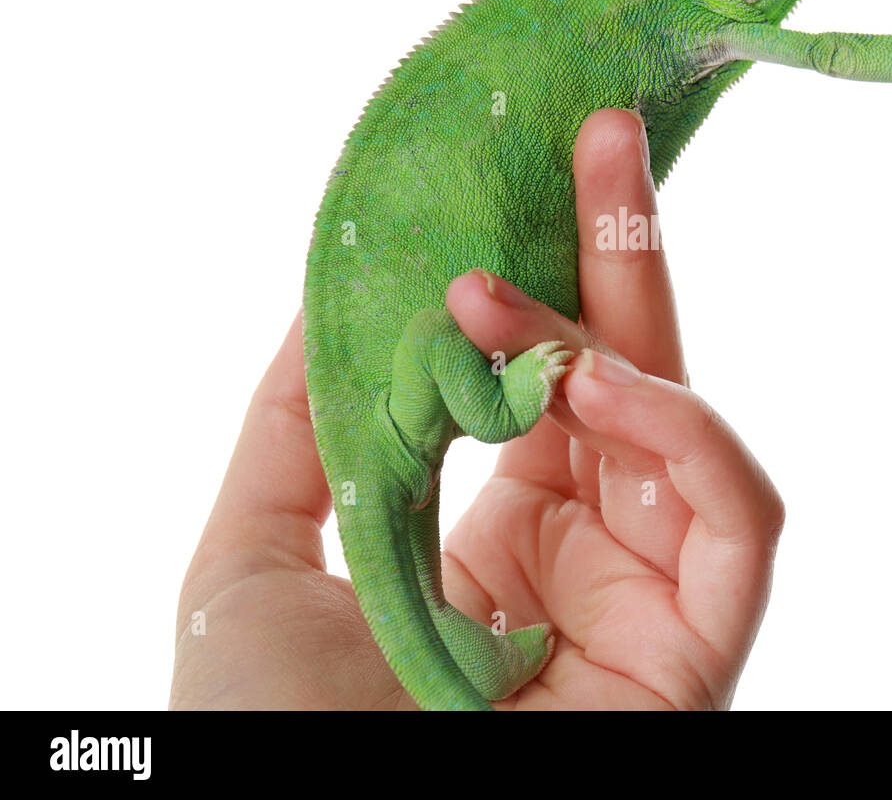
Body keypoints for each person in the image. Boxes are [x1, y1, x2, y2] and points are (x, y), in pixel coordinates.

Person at [169, 109, 785, 710]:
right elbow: (432, 336)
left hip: (390, 439)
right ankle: (492, 420)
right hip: (390, 429)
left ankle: (484, 667)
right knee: (437, 338)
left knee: (421, 610)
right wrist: (500, 409)